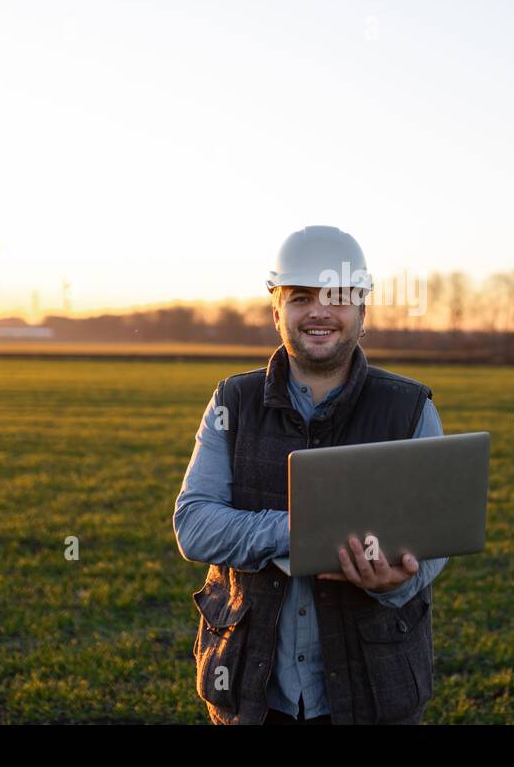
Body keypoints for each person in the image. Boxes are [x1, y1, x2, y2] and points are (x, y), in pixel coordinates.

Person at [173, 225, 447, 724]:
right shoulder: (231, 403)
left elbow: (432, 540)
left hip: (372, 694)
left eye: (338, 296)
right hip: (252, 694)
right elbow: (194, 525)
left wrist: (393, 585)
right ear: (276, 309)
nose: (319, 311)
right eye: (301, 297)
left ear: (363, 309)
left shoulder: (409, 409)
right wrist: (300, 533)